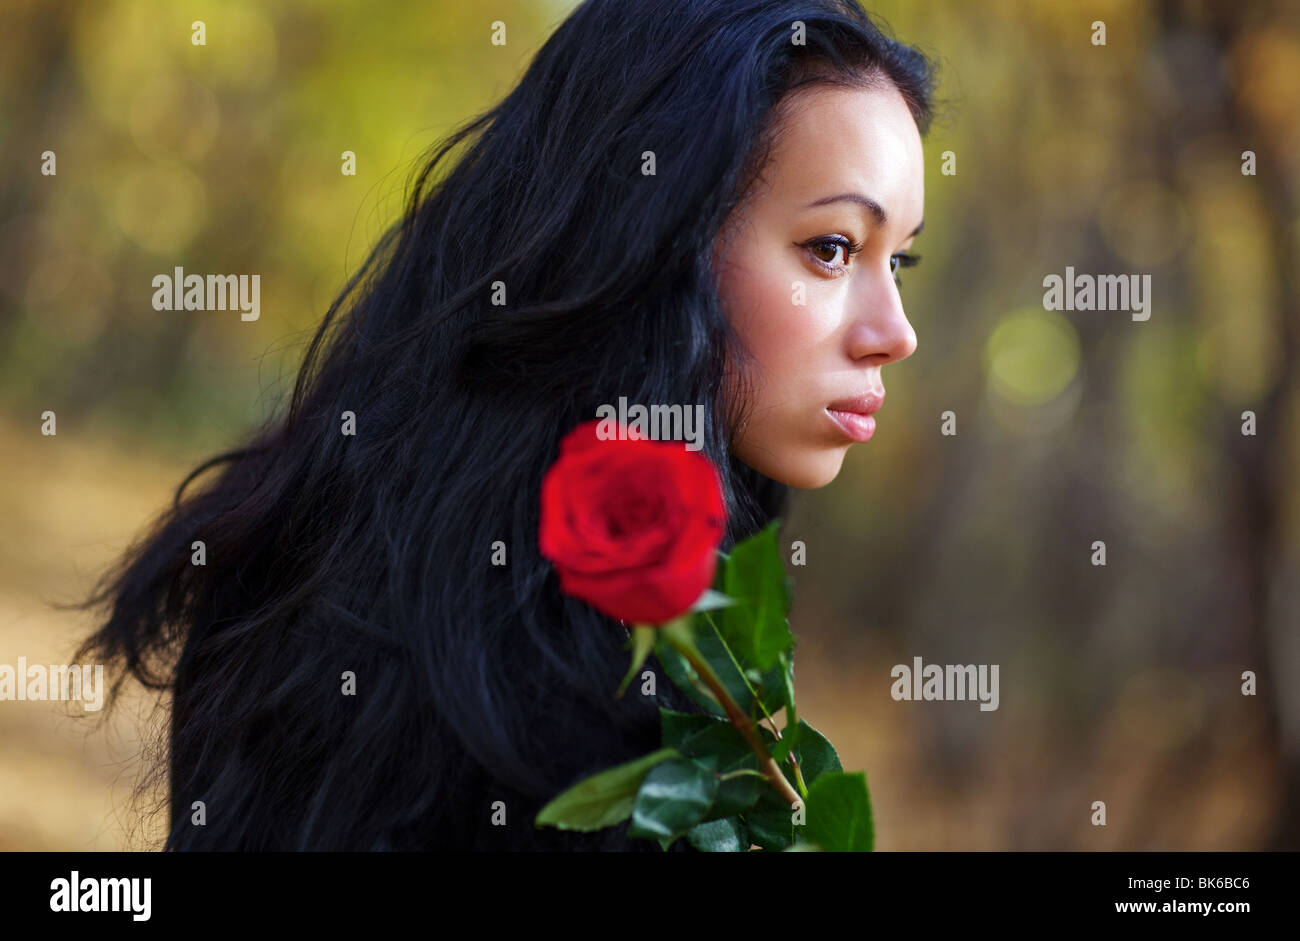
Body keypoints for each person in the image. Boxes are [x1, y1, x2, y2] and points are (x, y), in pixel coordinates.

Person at [77, 0, 935, 850]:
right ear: (656, 234)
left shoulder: (340, 543)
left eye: (898, 260)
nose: (895, 333)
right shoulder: (561, 735)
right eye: (832, 248)